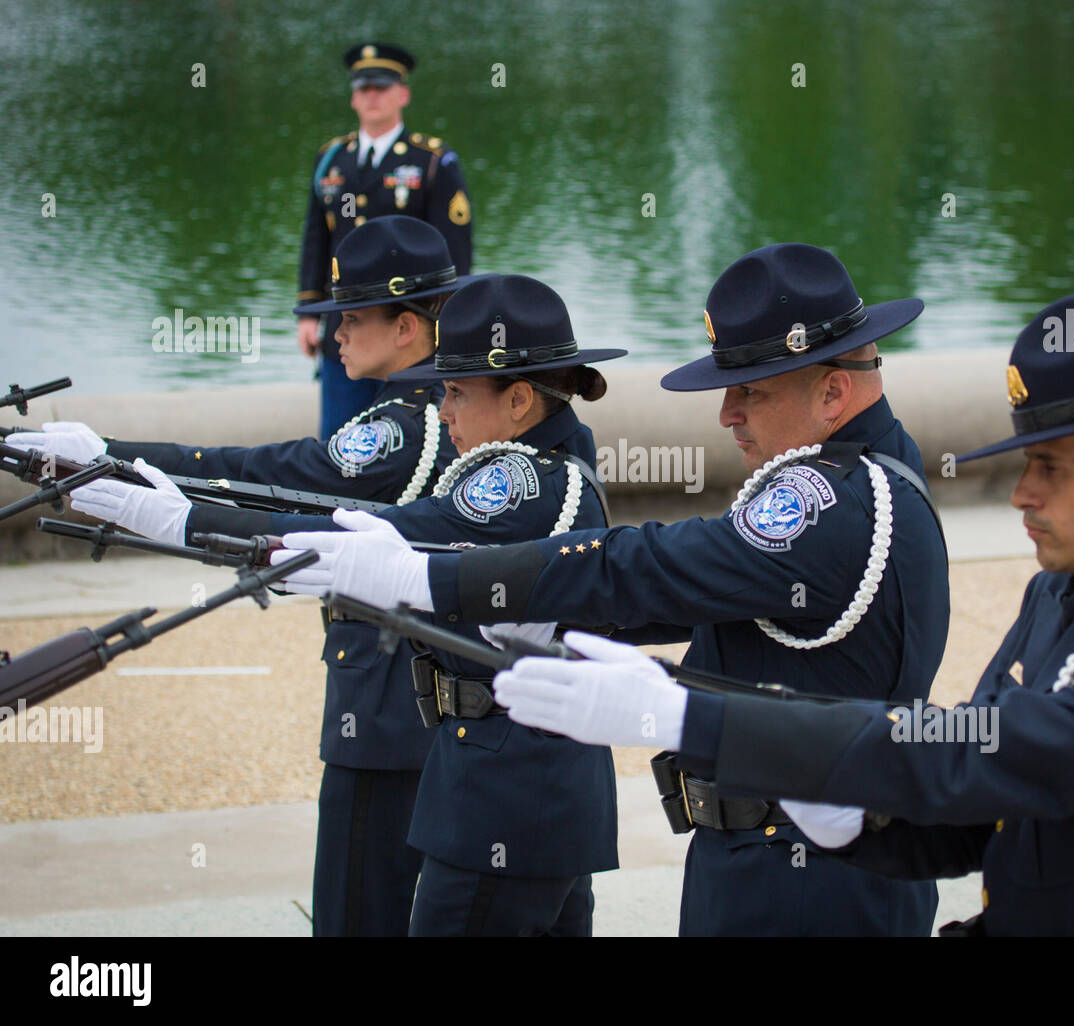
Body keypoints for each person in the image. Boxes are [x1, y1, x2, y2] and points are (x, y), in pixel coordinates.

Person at [494, 291, 1074, 937]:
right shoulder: (1061, 597)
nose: (1021, 494)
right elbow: (981, 800)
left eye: (1049, 467)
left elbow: (997, 752)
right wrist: (859, 822)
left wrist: (698, 719)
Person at [271, 243, 952, 937]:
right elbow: (687, 596)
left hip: (804, 888)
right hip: (794, 865)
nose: (727, 414)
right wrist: (536, 619)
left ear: (833, 391)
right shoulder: (867, 475)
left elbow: (651, 565)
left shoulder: (830, 499)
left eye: (751, 389)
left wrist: (431, 576)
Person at [67, 275, 627, 937]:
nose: (442, 410)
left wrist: (174, 518)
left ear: (519, 400)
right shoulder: (558, 462)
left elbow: (363, 542)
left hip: (502, 805)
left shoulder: (521, 483)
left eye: (455, 392)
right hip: (536, 797)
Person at [23, 216, 474, 937]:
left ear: (408, 327)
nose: (335, 335)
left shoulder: (405, 425)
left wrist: (107, 454)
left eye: (352, 318)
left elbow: (266, 477)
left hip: (388, 706)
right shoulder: (452, 408)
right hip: (437, 708)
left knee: (357, 909)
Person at [298, 41, 474, 440]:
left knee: (412, 440)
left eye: (381, 87)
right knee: (338, 441)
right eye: (364, 88)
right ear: (353, 96)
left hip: (408, 329)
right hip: (343, 326)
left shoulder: (432, 160)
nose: (372, 96)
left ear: (403, 94)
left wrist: (449, 323)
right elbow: (316, 238)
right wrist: (308, 312)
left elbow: (454, 250)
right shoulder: (331, 159)